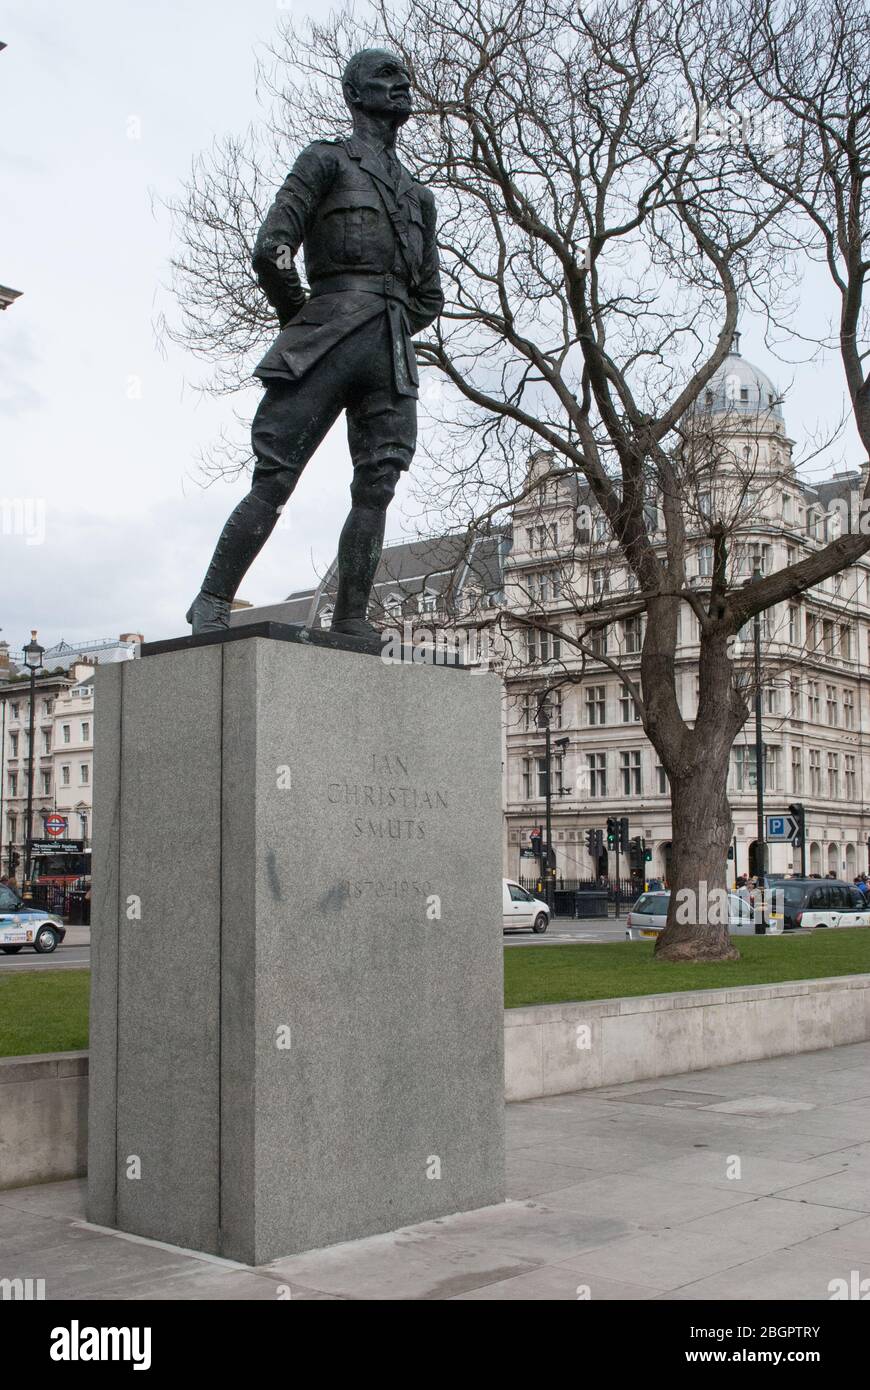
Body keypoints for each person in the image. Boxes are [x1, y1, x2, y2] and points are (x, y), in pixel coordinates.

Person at [187, 48, 443, 638]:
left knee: (376, 486)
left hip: (391, 351)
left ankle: (352, 621)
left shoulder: (419, 197)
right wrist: (304, 318)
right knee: (276, 475)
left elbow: (429, 295)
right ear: (355, 94)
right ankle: (212, 601)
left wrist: (392, 325)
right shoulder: (325, 160)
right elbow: (272, 248)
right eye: (385, 77)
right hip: (324, 336)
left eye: (405, 78)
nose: (401, 84)